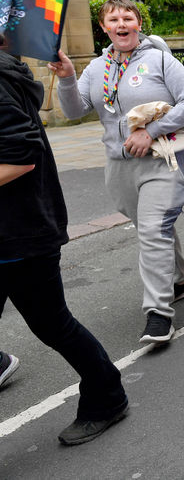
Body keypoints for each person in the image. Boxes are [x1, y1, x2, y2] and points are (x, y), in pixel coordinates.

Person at [52, 0, 184, 344]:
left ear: (138, 24)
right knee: (154, 228)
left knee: (152, 230)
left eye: (128, 18)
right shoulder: (95, 67)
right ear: (104, 27)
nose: (121, 24)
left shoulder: (161, 60)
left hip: (161, 161)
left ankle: (159, 314)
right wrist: (67, 78)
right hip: (119, 167)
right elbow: (75, 111)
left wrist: (150, 131)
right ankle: (180, 280)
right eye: (113, 19)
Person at [2, 44, 129, 445]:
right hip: (16, 230)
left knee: (52, 324)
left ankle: (106, 395)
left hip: (20, 234)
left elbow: (22, 154)